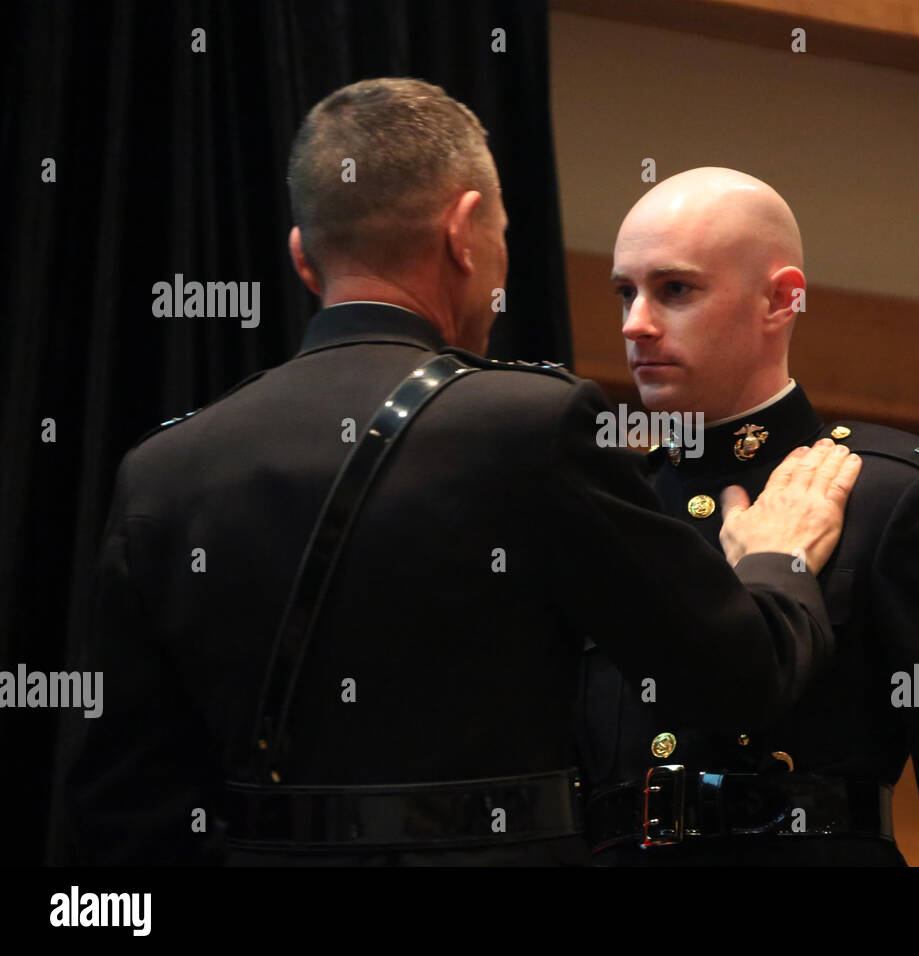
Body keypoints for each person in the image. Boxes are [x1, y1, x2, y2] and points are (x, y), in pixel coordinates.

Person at [53, 83, 863, 866]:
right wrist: (776, 562)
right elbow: (737, 685)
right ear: (464, 232)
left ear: (304, 258)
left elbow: (117, 803)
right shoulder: (528, 425)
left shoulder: (163, 468)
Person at [580, 167, 919, 865]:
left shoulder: (891, 495)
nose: (636, 323)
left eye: (675, 289)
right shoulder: (612, 502)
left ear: (780, 300)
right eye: (625, 292)